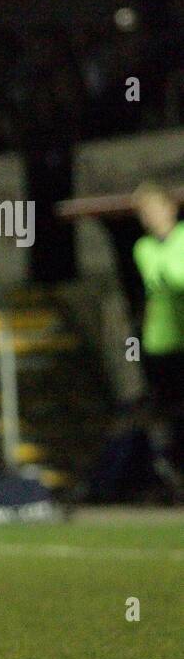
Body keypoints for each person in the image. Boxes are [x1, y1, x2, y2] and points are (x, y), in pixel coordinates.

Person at [132, 182, 184, 488]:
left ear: (170, 208)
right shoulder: (143, 247)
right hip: (160, 342)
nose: (148, 217)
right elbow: (160, 277)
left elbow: (177, 279)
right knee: (169, 413)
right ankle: (171, 476)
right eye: (143, 212)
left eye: (153, 209)